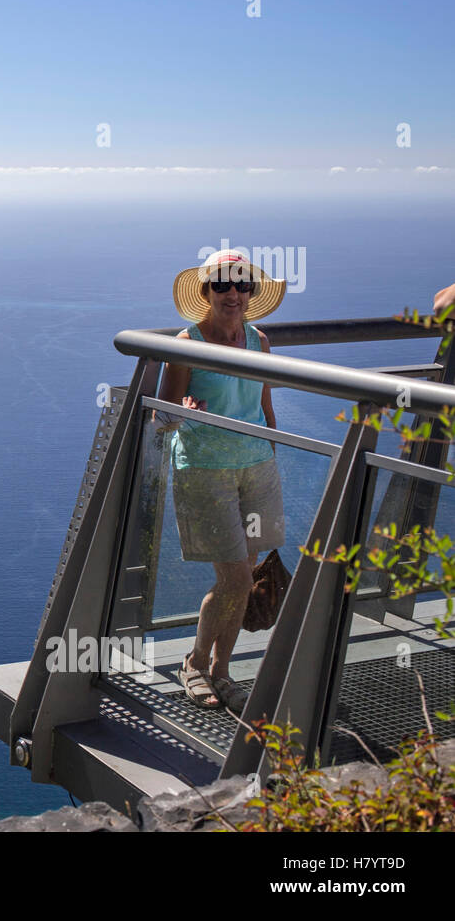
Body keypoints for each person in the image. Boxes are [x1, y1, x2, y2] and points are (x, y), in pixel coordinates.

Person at [160, 250, 287, 712]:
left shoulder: (259, 341)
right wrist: (181, 413)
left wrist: (271, 460)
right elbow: (163, 416)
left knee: (246, 576)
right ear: (205, 291)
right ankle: (194, 663)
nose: (233, 293)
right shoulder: (186, 343)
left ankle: (222, 671)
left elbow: (265, 409)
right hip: (205, 471)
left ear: (250, 292)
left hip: (256, 469)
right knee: (234, 577)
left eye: (242, 284)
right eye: (222, 285)